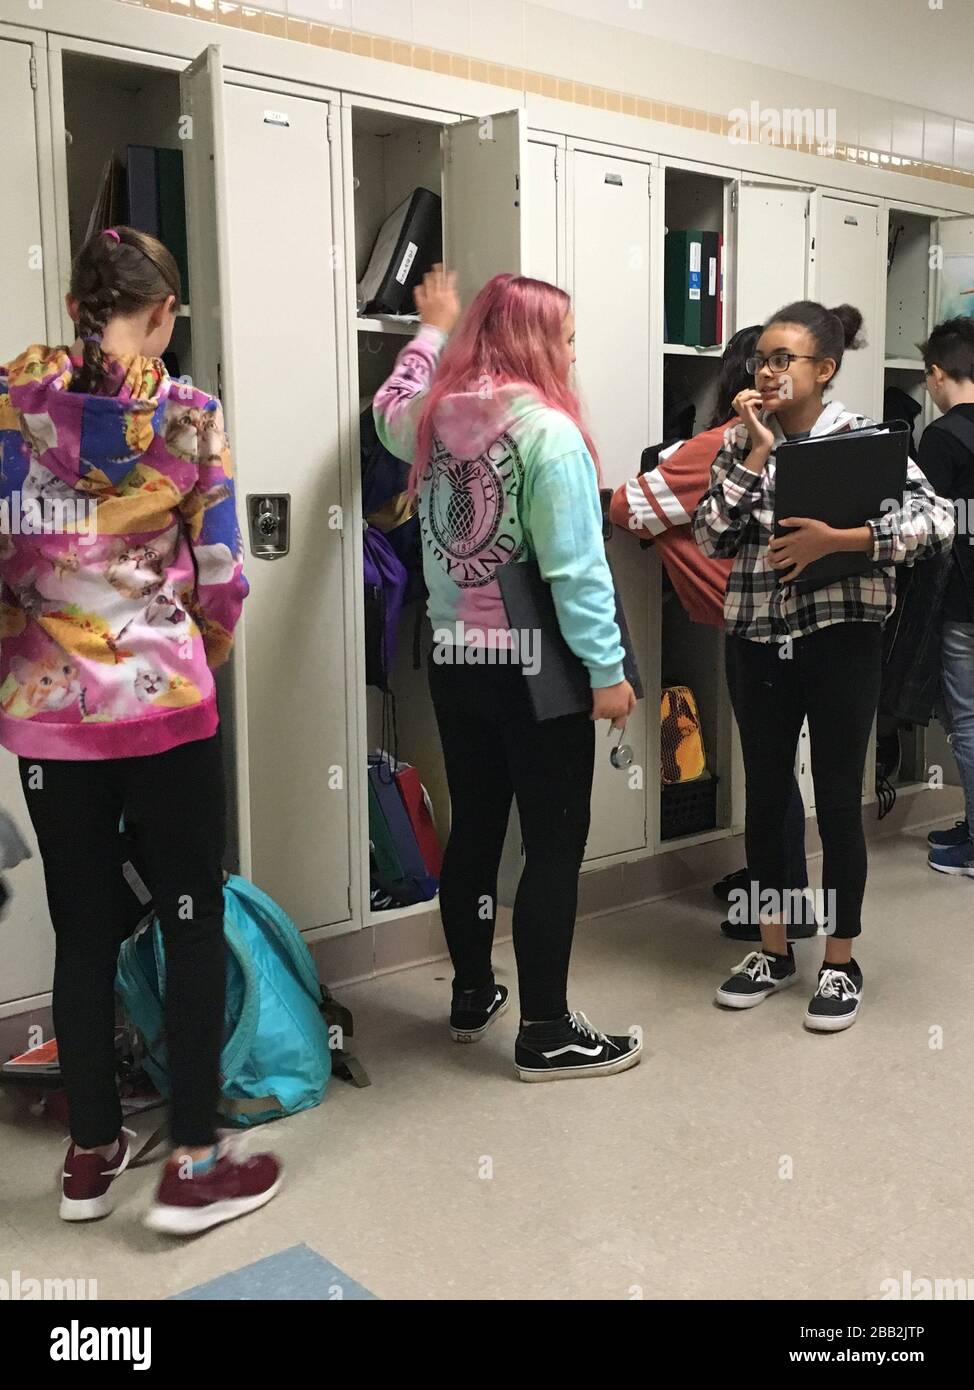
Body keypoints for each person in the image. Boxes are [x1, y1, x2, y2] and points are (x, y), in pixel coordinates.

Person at [0, 225, 280, 1231]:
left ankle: (89, 1157)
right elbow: (222, 578)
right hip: (163, 712)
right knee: (190, 919)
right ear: (162, 312)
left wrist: (29, 668)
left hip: (47, 722)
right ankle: (194, 1161)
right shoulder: (188, 416)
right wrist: (186, 660)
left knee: (79, 935)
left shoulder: (10, 405)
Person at [373, 266, 641, 1082]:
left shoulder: (434, 418)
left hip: (458, 663)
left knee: (478, 831)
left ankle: (470, 993)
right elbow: (577, 574)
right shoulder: (548, 434)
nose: (570, 351)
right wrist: (609, 672)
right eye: (564, 336)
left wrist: (429, 329)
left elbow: (386, 407)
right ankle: (548, 1031)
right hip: (537, 672)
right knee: (554, 845)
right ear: (534, 342)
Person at [693, 301, 954, 1031]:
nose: (768, 372)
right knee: (768, 796)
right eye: (761, 360)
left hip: (840, 639)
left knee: (836, 801)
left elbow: (936, 521)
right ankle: (774, 950)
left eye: (785, 360)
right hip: (756, 640)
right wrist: (753, 449)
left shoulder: (866, 443)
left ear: (825, 370)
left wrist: (843, 539)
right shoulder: (741, 440)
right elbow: (712, 534)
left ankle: (840, 959)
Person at [609, 326, 814, 943]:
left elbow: (630, 510)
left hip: (752, 619)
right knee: (775, 767)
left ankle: (789, 905)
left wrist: (656, 509)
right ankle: (773, 880)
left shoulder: (711, 446)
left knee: (771, 770)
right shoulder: (791, 439)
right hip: (790, 618)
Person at [915, 317, 974, 876]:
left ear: (936, 374)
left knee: (969, 720)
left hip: (962, 601)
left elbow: (923, 527)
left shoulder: (941, 437)